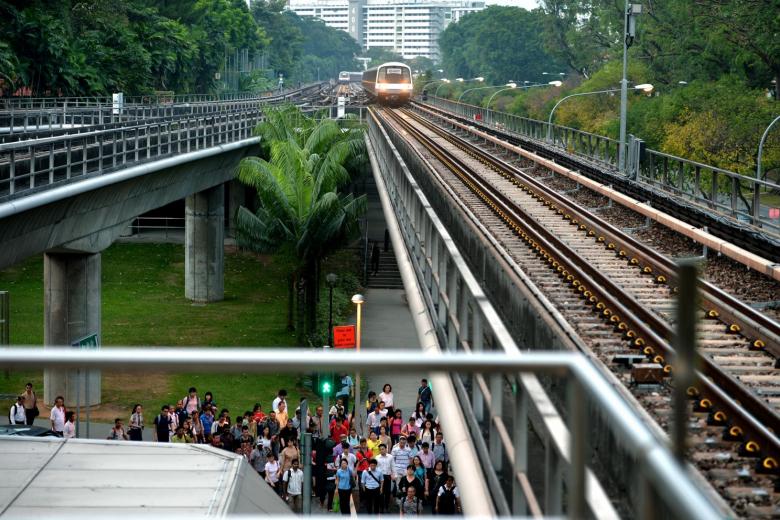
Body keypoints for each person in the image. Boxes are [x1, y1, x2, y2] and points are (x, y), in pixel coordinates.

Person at [375, 444, 395, 513]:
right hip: (380, 477)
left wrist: (393, 475)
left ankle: (387, 506)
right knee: (381, 493)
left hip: (388, 476)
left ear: (386, 449)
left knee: (388, 493)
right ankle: (381, 507)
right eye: (380, 449)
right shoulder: (377, 457)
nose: (381, 450)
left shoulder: (390, 457)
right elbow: (375, 468)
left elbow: (393, 466)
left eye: (383, 449)